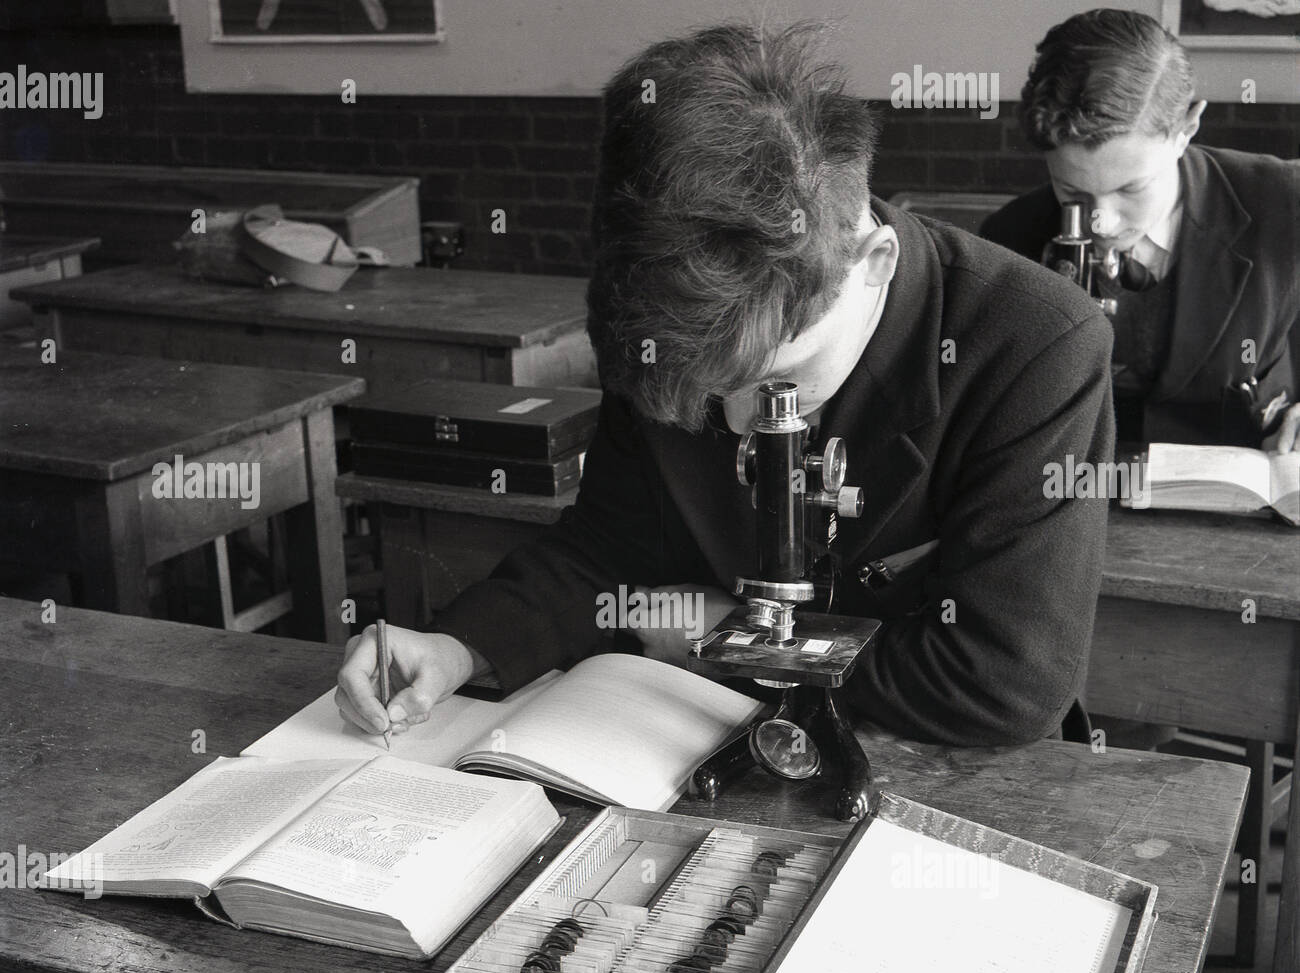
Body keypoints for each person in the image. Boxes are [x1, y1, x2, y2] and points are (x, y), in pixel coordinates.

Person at [338, 22, 1115, 749]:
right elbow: (607, 548)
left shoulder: (1036, 346)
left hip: (937, 763)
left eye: (776, 379)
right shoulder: (669, 316)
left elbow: (1004, 680)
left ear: (872, 263)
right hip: (694, 739)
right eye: (720, 392)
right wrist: (458, 648)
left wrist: (731, 639)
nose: (741, 421)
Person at [981, 7, 1300, 453]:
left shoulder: (1286, 201)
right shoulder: (1007, 238)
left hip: (1241, 498)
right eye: (1072, 191)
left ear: (1187, 128)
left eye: (1131, 188)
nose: (1101, 223)